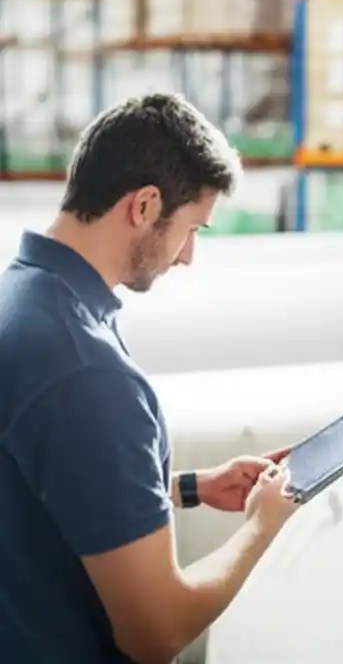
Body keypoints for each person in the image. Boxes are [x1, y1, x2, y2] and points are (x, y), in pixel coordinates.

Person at [0, 93, 301, 663]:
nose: (187, 256)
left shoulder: (23, 297)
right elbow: (156, 630)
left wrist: (190, 486)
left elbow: (47, 484)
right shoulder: (84, 371)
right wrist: (263, 526)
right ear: (143, 205)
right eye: (192, 229)